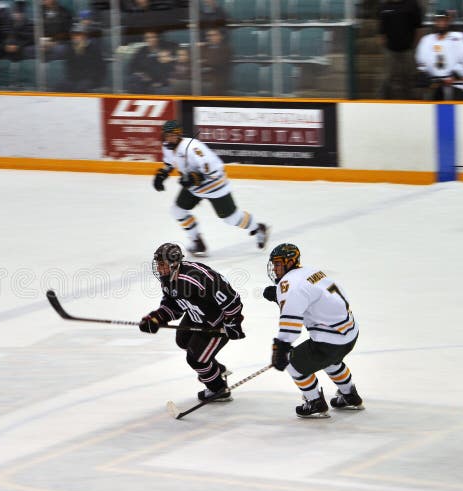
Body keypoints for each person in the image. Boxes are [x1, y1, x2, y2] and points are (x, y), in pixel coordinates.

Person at [263, 243, 361, 418]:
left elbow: (291, 322)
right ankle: (350, 395)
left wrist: (281, 347)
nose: (275, 269)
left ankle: (314, 402)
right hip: (350, 334)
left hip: (330, 341)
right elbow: (309, 295)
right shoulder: (310, 271)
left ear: (289, 262)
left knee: (291, 362)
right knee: (331, 361)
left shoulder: (289, 284)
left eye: (278, 264)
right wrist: (279, 295)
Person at [139, 243, 244, 402]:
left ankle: (218, 389)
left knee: (196, 360)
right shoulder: (168, 279)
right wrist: (156, 318)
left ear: (174, 264)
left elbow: (231, 298)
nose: (159, 269)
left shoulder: (196, 278)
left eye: (162, 264)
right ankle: (216, 370)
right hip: (197, 315)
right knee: (183, 340)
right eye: (158, 264)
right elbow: (173, 305)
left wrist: (233, 321)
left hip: (217, 323)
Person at [152, 120, 270, 256]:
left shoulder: (193, 148)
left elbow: (214, 170)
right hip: (194, 187)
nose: (169, 138)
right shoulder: (167, 146)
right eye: (166, 135)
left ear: (179, 135)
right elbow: (169, 162)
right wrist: (163, 174)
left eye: (172, 135)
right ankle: (197, 242)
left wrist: (194, 178)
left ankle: (258, 228)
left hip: (214, 185)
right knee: (177, 211)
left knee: (231, 218)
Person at [415, 10, 463, 101]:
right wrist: (424, 77)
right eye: (439, 20)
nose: (442, 23)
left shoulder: (458, 37)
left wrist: (455, 76)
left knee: (457, 105)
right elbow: (421, 66)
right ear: (435, 22)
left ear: (449, 21)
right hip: (435, 86)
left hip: (456, 85)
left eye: (444, 20)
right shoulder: (426, 40)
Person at [377, 0, 423, 99]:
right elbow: (381, 31)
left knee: (410, 78)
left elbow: (418, 28)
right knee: (387, 78)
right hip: (390, 51)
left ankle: (413, 101)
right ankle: (382, 101)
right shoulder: (384, 6)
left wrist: (413, 47)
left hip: (408, 50)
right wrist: (386, 47)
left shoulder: (412, 4)